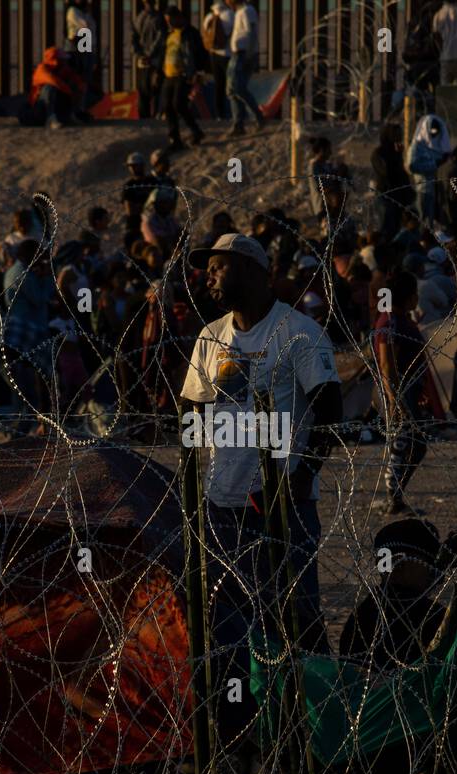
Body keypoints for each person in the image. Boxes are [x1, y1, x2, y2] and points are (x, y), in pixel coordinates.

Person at [179, 232, 342, 743]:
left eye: (219, 267)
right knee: (226, 629)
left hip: (279, 505)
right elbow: (191, 409)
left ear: (253, 270)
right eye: (207, 268)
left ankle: (314, 732)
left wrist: (299, 476)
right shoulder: (210, 337)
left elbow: (329, 407)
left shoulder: (298, 332)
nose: (209, 276)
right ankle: (239, 736)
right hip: (222, 504)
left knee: (294, 619)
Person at [337, 518, 447, 665]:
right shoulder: (430, 616)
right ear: (400, 564)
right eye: (426, 563)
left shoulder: (365, 611)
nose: (432, 574)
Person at [372, 270, 432, 515]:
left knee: (413, 444)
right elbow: (388, 364)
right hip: (396, 393)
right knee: (405, 443)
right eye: (414, 294)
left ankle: (395, 496)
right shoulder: (390, 322)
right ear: (407, 297)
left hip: (407, 391)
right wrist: (394, 399)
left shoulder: (401, 320)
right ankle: (393, 499)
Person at [160, 6, 208, 150]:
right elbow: (166, 52)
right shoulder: (170, 34)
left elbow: (200, 53)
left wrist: (198, 72)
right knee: (167, 106)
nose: (169, 23)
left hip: (184, 74)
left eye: (171, 20)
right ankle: (175, 139)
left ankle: (196, 131)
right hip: (169, 74)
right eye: (167, 21)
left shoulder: (190, 33)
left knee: (178, 104)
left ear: (178, 17)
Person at [407, 114, 454, 230]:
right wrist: (434, 164)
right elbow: (412, 166)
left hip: (433, 189)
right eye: (431, 131)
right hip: (421, 189)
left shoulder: (432, 146)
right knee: (422, 220)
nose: (433, 134)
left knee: (430, 223)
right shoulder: (416, 147)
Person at [225, 0, 264, 135]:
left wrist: (249, 54)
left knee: (237, 89)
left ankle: (258, 117)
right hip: (239, 54)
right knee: (232, 90)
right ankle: (238, 124)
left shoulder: (247, 11)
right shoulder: (241, 11)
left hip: (242, 55)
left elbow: (251, 33)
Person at [370, 124, 414, 239]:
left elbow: (401, 173)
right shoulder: (378, 153)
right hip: (385, 195)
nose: (399, 137)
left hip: (398, 195)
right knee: (386, 227)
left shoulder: (396, 153)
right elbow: (386, 172)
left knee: (397, 228)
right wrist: (397, 155)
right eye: (396, 134)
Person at [29, 46, 87, 129]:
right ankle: (50, 119)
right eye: (62, 59)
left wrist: (80, 86)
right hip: (40, 106)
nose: (65, 61)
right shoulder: (42, 69)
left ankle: (71, 115)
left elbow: (74, 77)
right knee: (49, 88)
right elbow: (54, 82)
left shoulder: (61, 68)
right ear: (55, 60)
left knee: (73, 85)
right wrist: (70, 92)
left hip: (56, 102)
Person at [132, 0, 168, 119]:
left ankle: (145, 116)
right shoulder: (159, 18)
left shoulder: (139, 17)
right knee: (156, 87)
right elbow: (160, 38)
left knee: (143, 89)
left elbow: (134, 38)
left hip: (144, 60)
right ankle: (154, 114)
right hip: (154, 59)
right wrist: (149, 54)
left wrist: (139, 54)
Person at [201, 1, 234, 119]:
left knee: (218, 86)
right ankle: (233, 112)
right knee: (231, 85)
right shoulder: (230, 14)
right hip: (227, 54)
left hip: (213, 54)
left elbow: (205, 35)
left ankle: (219, 114)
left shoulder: (209, 17)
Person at [65, 0, 99, 110]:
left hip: (86, 44)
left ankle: (82, 108)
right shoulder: (73, 11)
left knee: (86, 78)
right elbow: (85, 26)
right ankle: (77, 108)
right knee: (80, 77)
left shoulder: (83, 12)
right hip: (79, 44)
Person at [432, 0, 457, 84]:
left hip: (445, 57)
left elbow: (436, 36)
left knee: (445, 87)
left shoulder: (438, 15)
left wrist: (441, 49)